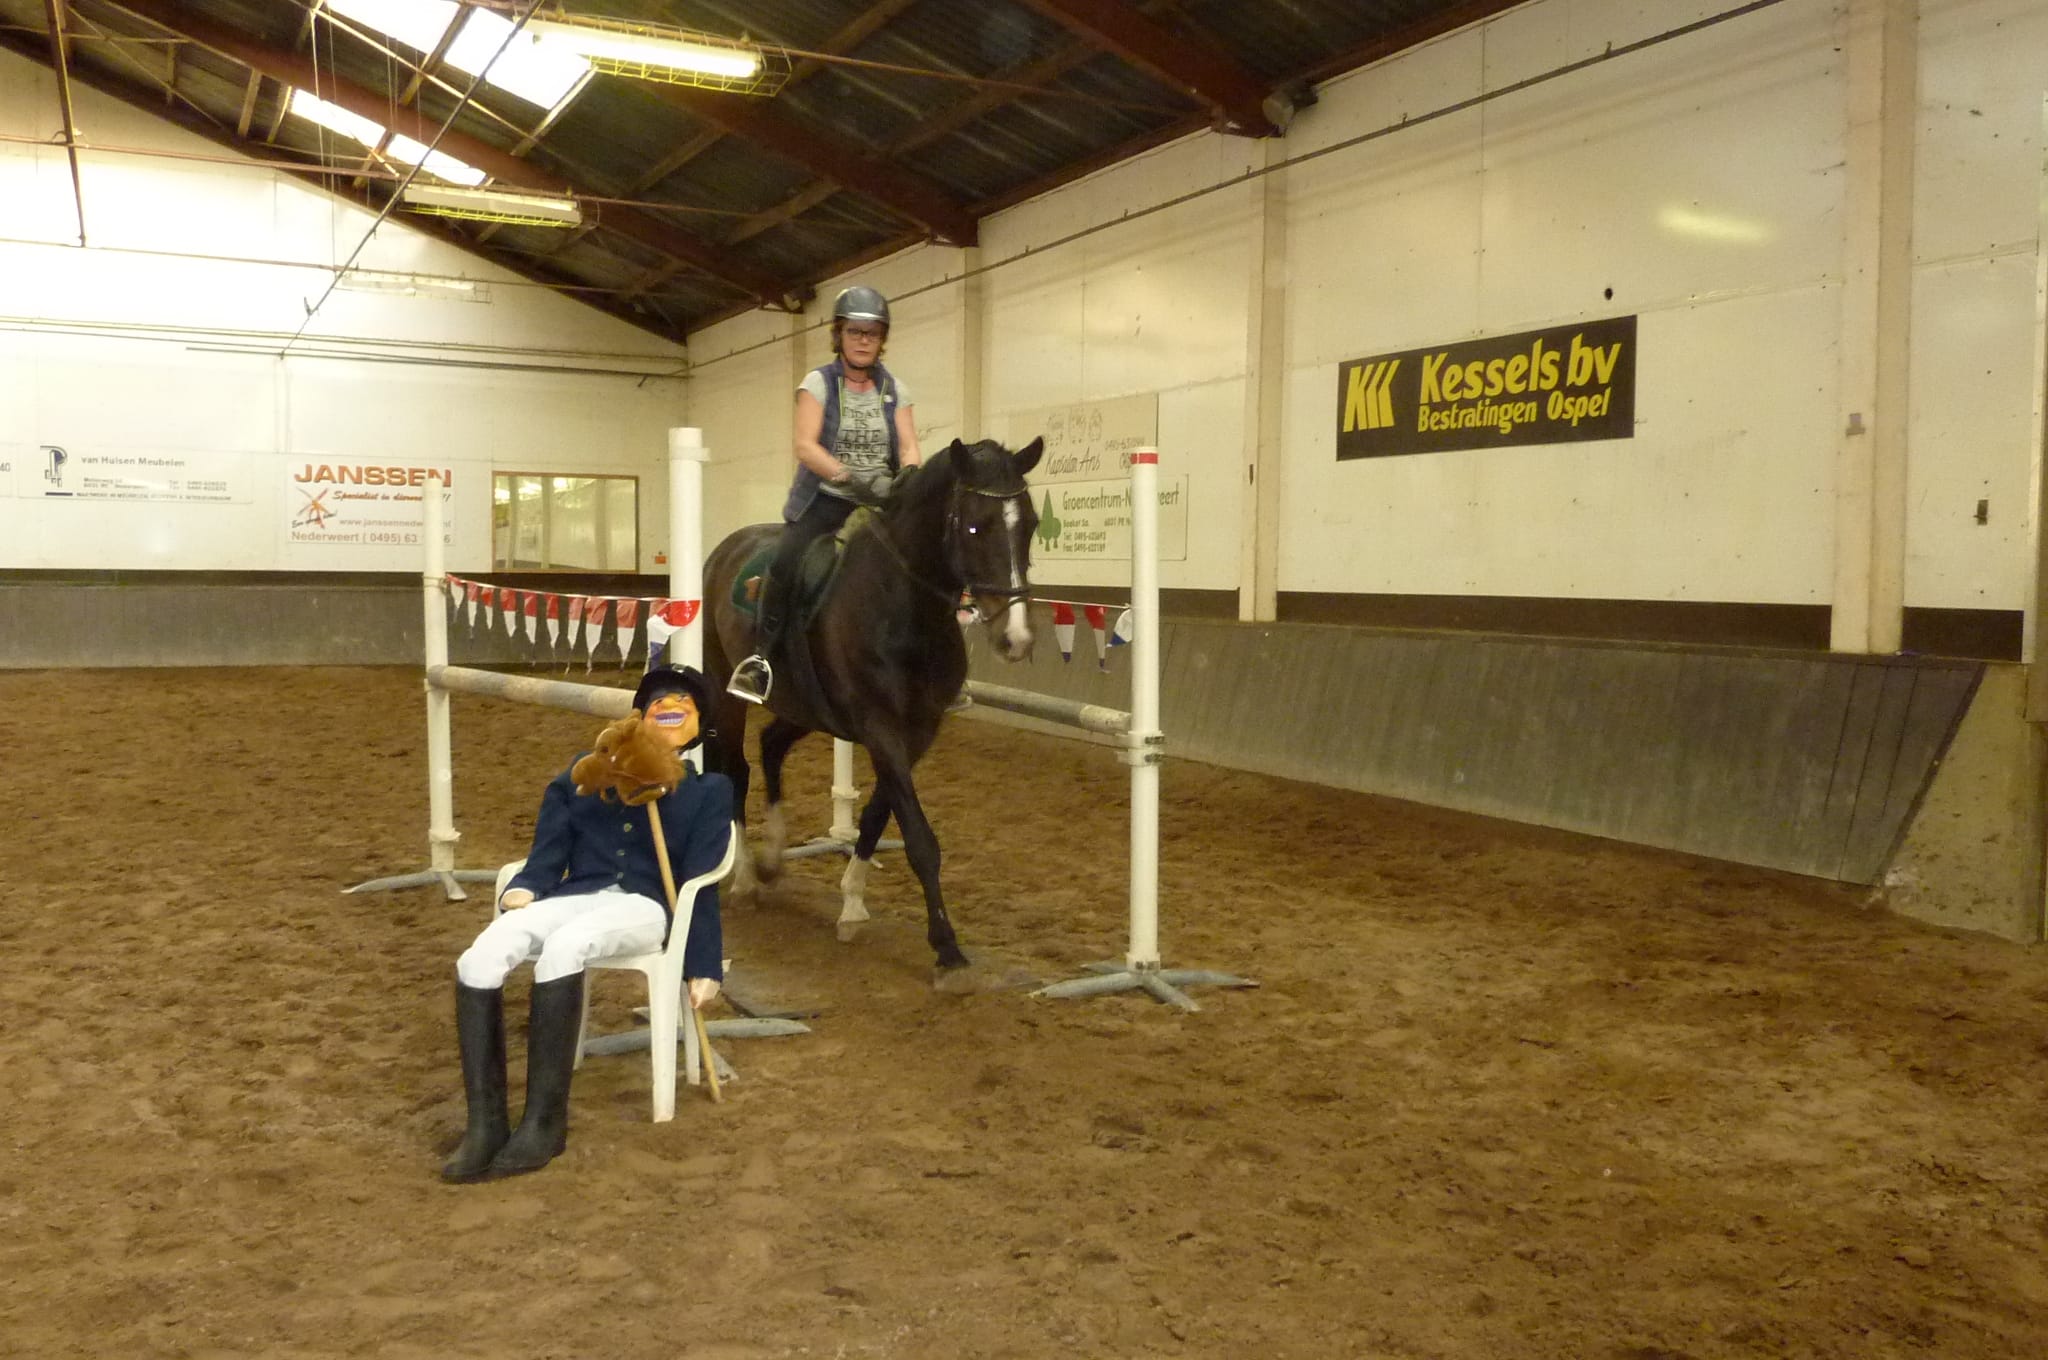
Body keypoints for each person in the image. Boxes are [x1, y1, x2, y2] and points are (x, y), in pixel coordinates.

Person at [441, 666, 734, 1183]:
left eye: (685, 701)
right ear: (638, 715)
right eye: (660, 699)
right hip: (580, 892)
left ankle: (544, 1123)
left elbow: (700, 882)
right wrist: (531, 881)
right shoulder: (590, 770)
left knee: (566, 947)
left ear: (700, 722)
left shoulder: (709, 790)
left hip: (647, 907)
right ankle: (485, 1123)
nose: (672, 705)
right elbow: (552, 839)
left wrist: (702, 960)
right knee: (482, 954)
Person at [727, 284, 922, 703]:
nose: (864, 340)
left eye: (872, 332)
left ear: (882, 338)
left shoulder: (896, 391)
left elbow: (907, 444)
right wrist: (847, 476)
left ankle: (932, 665)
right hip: (825, 500)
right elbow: (805, 445)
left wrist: (909, 473)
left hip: (883, 502)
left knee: (927, 561)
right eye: (855, 331)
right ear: (840, 335)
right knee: (787, 563)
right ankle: (760, 662)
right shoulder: (817, 383)